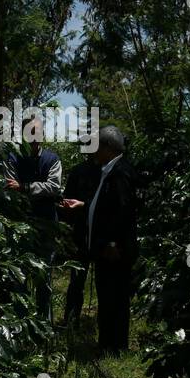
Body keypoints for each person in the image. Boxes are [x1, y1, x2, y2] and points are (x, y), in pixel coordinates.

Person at [58, 125, 139, 354]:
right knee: (107, 296)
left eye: (98, 146)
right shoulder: (109, 170)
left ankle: (114, 347)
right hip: (104, 247)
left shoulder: (119, 173)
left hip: (114, 249)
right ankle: (108, 344)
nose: (94, 150)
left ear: (108, 148)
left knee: (115, 297)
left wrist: (112, 242)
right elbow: (106, 207)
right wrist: (83, 206)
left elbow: (122, 211)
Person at [5, 113, 63, 320]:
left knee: (44, 277)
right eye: (30, 131)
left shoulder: (52, 159)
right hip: (20, 224)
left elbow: (54, 187)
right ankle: (21, 324)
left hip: (46, 224)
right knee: (18, 277)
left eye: (38, 131)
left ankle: (43, 325)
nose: (35, 135)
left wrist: (25, 187)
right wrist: (30, 189)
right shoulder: (13, 158)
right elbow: (9, 186)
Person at [60, 152, 102, 325]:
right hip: (81, 231)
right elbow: (67, 200)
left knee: (101, 280)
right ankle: (71, 318)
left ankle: (102, 319)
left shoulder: (108, 171)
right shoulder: (79, 171)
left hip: (100, 231)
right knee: (77, 278)